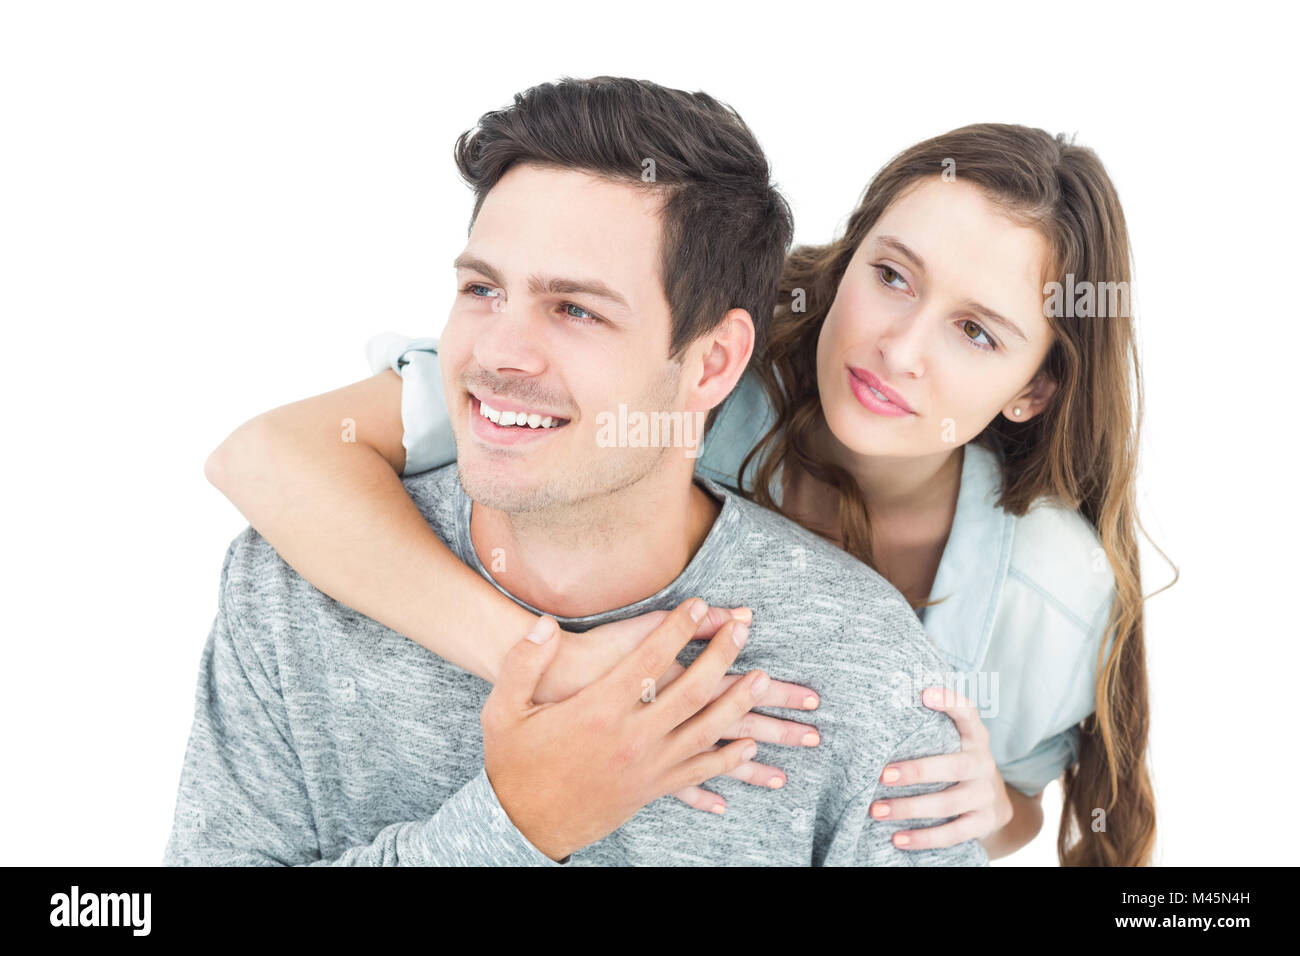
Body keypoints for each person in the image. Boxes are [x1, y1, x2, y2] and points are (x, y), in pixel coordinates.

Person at [165, 75, 987, 866]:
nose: (497, 354)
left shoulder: (860, 669)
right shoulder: (292, 586)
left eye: (576, 309)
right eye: (482, 290)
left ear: (712, 363)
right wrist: (517, 823)